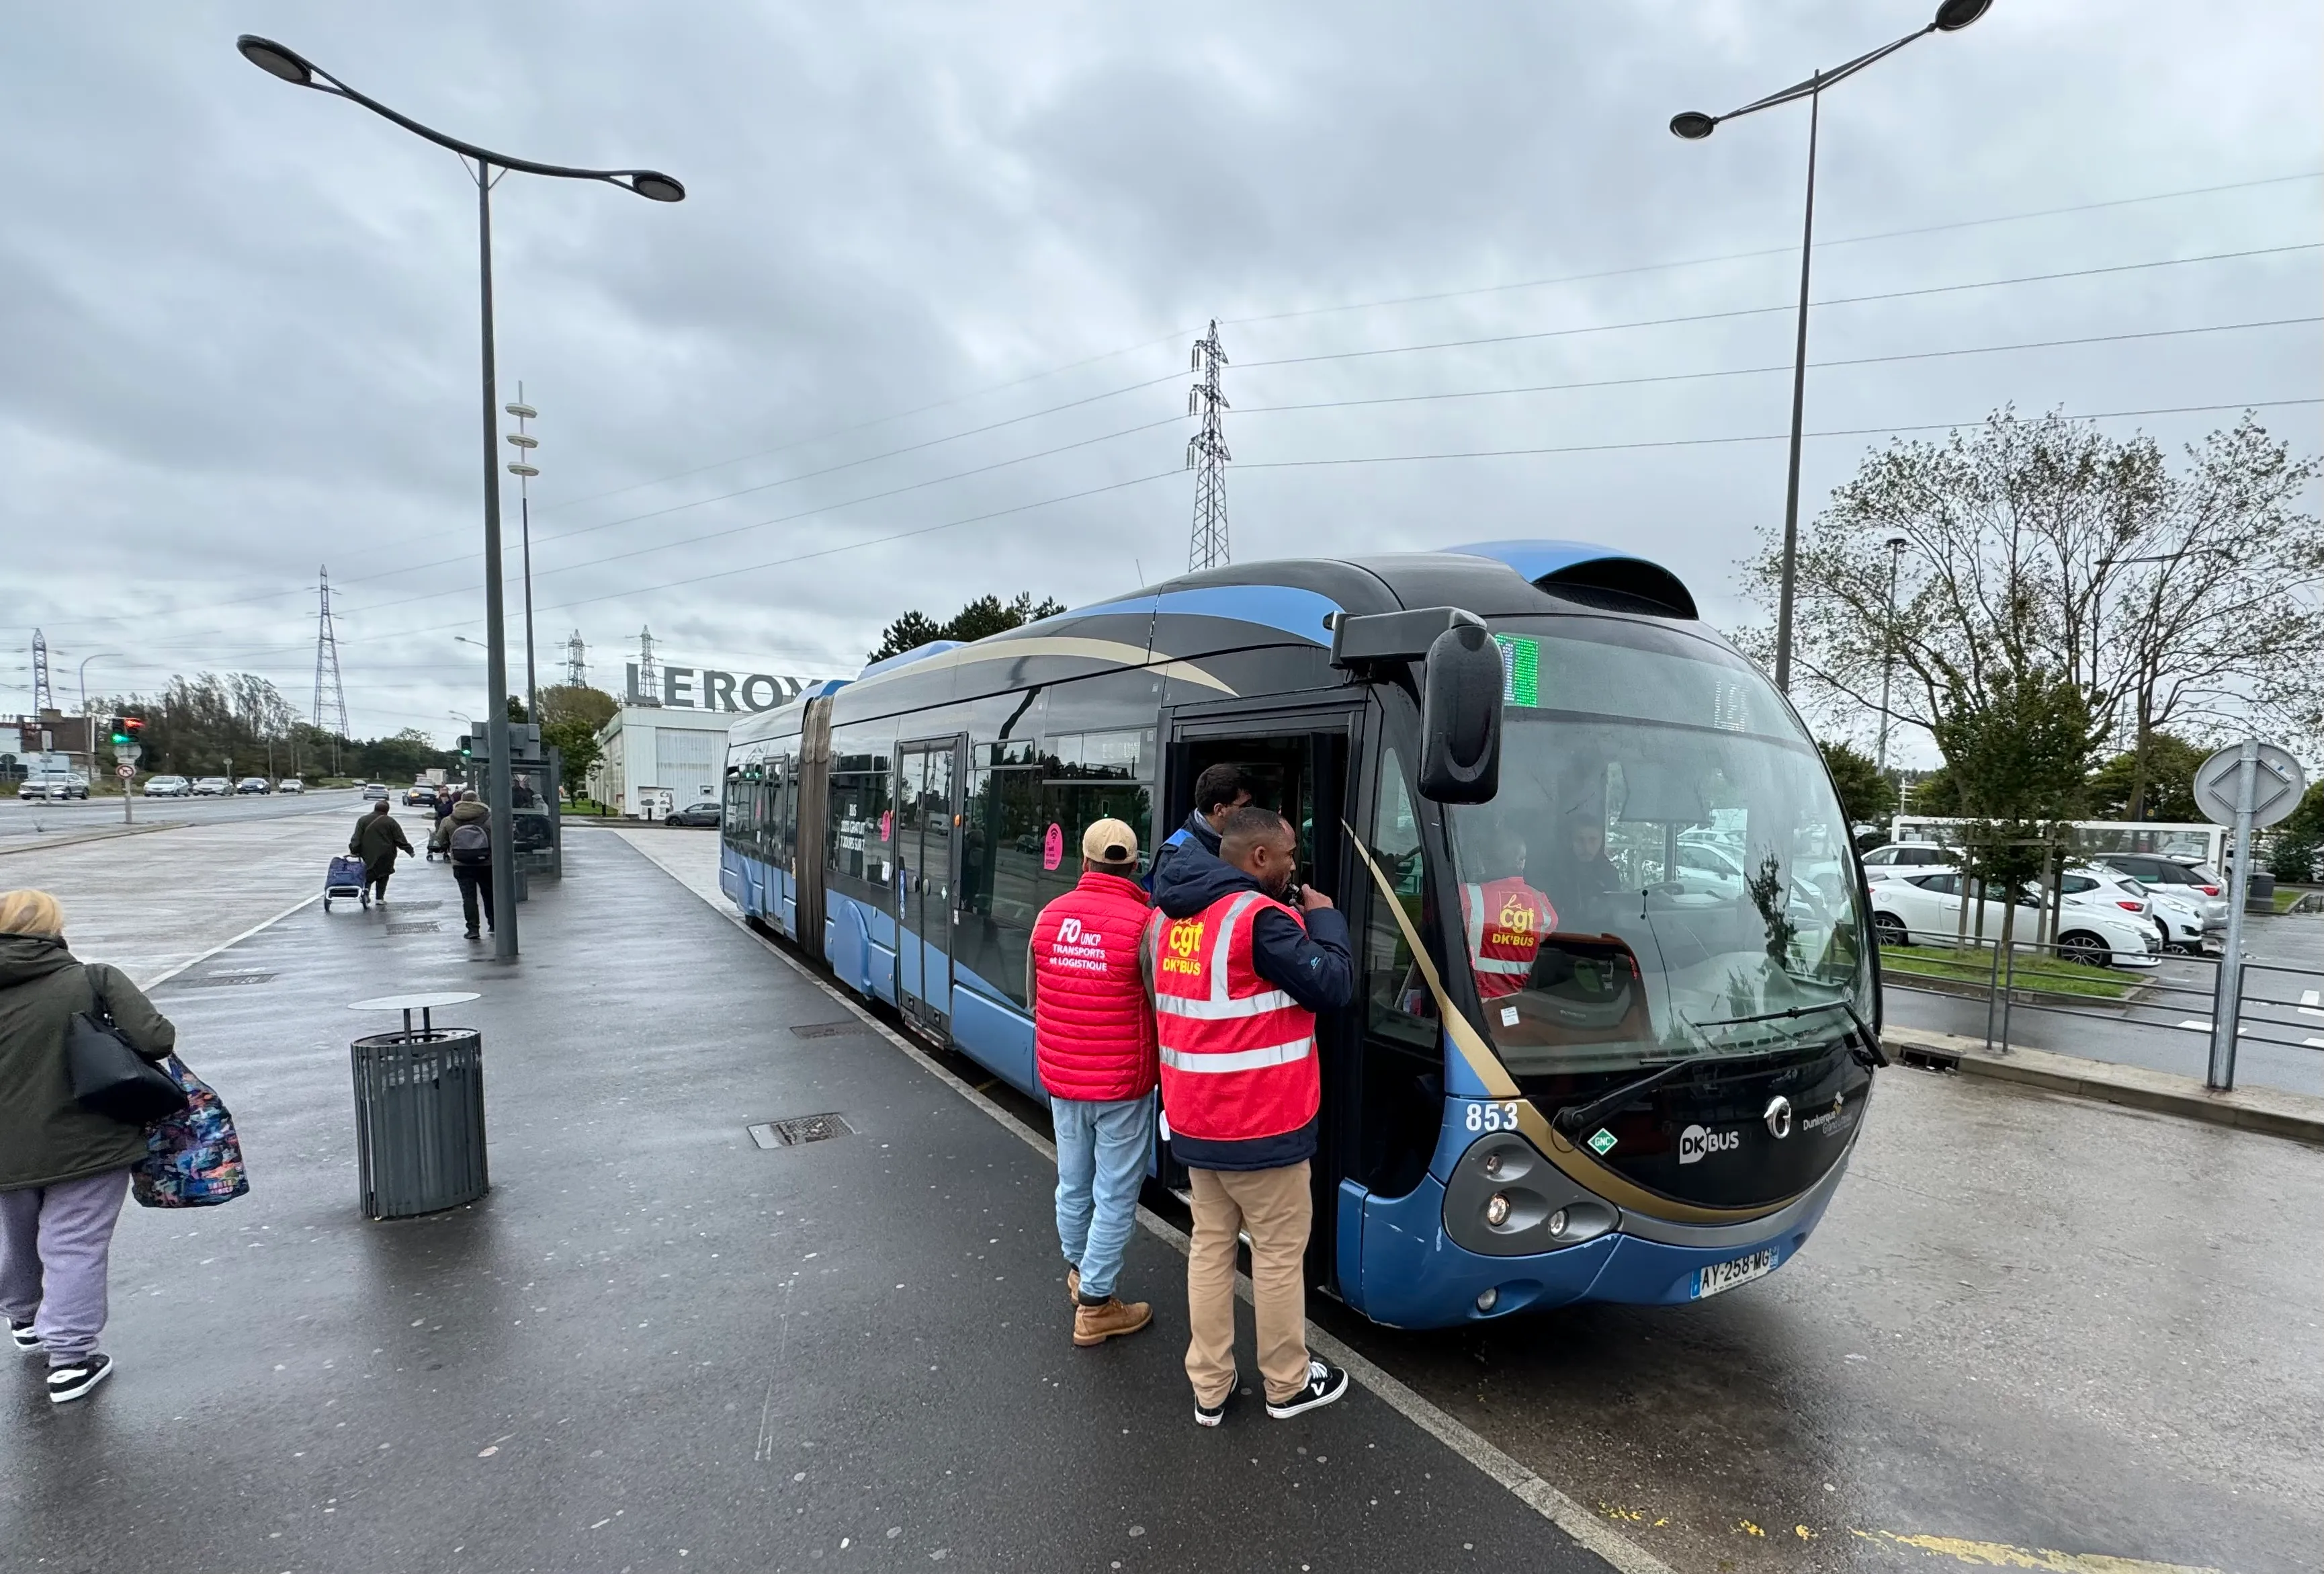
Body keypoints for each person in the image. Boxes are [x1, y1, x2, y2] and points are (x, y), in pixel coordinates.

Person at [1147, 806, 1354, 1426]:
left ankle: (1209, 1389)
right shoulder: (1259, 919)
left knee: (1210, 1249)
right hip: (1264, 1124)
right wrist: (1324, 918)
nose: (1295, 869)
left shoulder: (1166, 919)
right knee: (1276, 1255)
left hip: (1195, 1123)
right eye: (1290, 857)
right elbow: (1334, 985)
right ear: (1258, 858)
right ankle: (1287, 1385)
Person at [0, 888, 177, 1403]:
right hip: (88, 1141)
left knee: (16, 1234)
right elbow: (157, 1039)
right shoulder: (91, 979)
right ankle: (70, 1361)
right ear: (55, 930)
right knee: (73, 1243)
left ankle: (25, 1320)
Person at [1025, 819, 1158, 1348]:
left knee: (1074, 1182)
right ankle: (1097, 1306)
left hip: (1063, 1078)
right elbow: (1156, 1004)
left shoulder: (1048, 917)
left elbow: (1034, 999)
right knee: (1116, 1192)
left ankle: (1080, 1273)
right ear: (1133, 867)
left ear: (1083, 863)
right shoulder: (1145, 924)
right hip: (1122, 1083)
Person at [1459, 824, 1555, 1003]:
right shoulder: (1541, 902)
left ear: (1485, 861)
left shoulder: (1467, 896)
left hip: (1476, 1004)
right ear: (1522, 862)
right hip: (1521, 1003)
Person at [1145, 763, 1252, 894]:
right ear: (1219, 810)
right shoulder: (1175, 853)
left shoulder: (1241, 839)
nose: (1251, 811)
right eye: (1245, 805)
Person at [433, 794, 494, 939]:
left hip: (461, 864)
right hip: (486, 862)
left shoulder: (449, 820)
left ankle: (473, 929)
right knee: (489, 895)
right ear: (478, 801)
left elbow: (440, 841)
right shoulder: (489, 818)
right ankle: (493, 925)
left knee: (468, 897)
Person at [350, 799, 415, 905]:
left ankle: (366, 890)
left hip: (367, 852)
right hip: (387, 853)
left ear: (375, 808)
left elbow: (357, 837)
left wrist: (354, 850)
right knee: (383, 874)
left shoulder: (363, 820)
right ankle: (379, 899)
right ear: (387, 811)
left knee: (369, 872)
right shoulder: (390, 822)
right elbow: (399, 839)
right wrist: (409, 850)